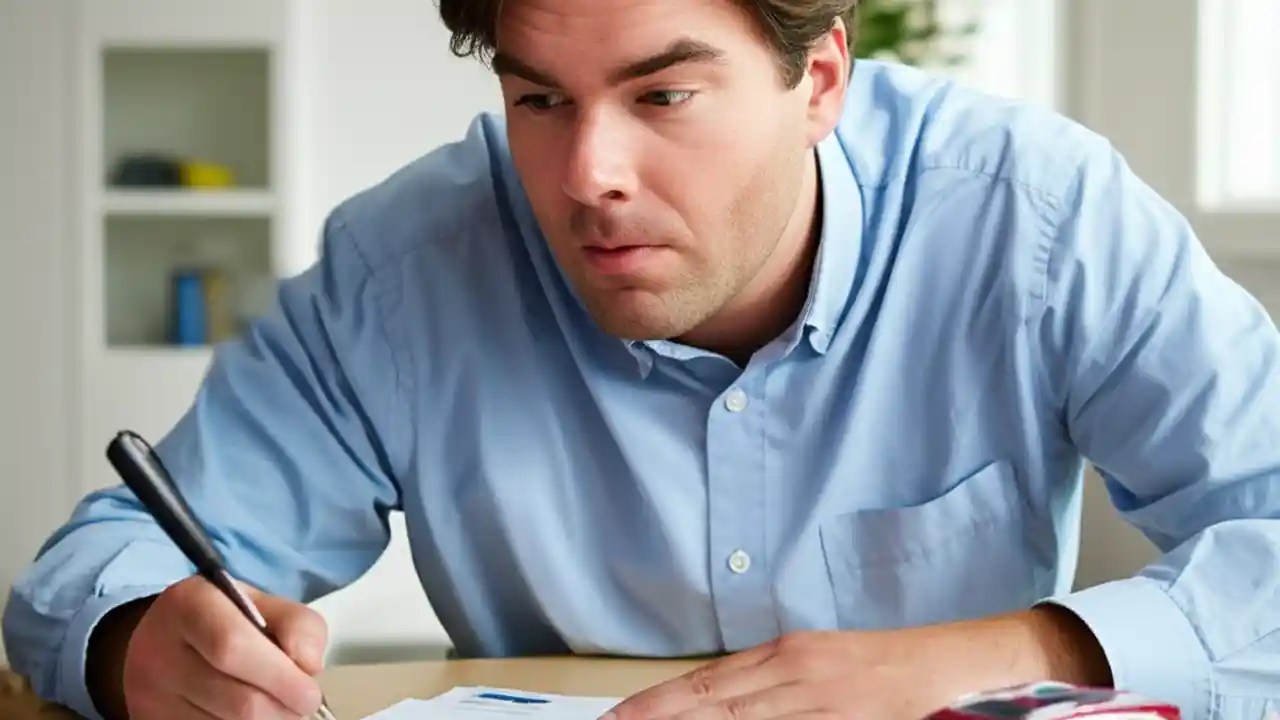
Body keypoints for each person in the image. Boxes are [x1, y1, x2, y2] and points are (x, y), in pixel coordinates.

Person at [6, 0, 1280, 718]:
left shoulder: (1033, 215)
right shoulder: (405, 269)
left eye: (662, 96)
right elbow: (96, 569)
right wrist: (141, 646)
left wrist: (991, 652)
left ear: (820, 77)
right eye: (538, 100)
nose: (586, 178)